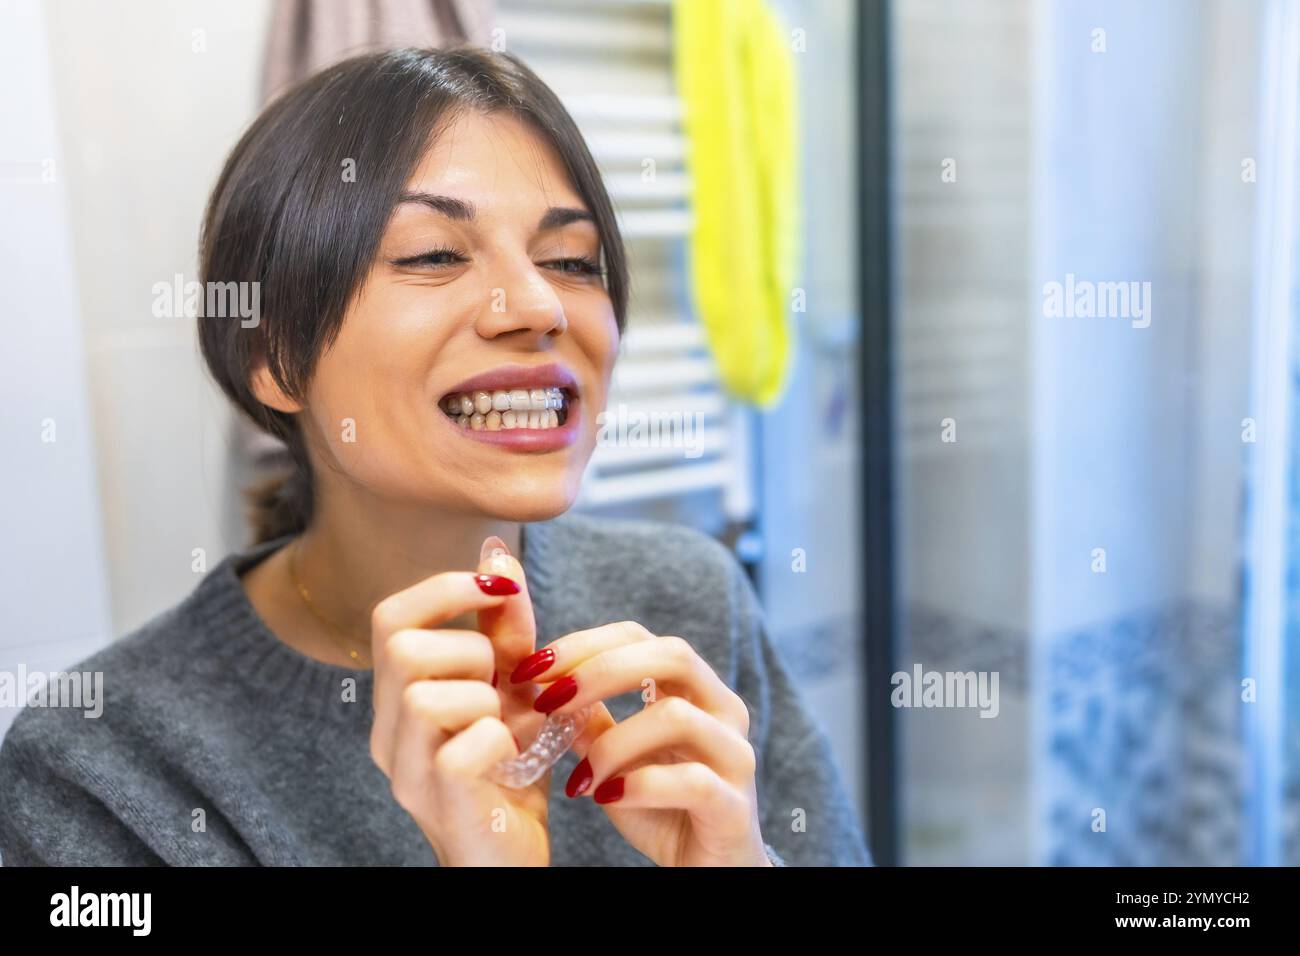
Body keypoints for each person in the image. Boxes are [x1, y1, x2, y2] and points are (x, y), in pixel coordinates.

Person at [0, 45, 870, 867]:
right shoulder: (100, 760)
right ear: (272, 354)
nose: (536, 304)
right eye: (433, 254)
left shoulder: (686, 602)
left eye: (571, 259)